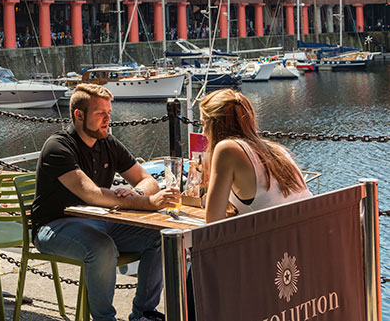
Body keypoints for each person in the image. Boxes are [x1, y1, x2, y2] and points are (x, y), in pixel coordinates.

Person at [31, 83, 179, 321]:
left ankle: (144, 314)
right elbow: (91, 194)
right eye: (101, 113)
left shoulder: (107, 143)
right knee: (101, 247)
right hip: (54, 227)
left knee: (160, 236)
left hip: (98, 221)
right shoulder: (58, 147)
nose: (107, 119)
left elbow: (146, 179)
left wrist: (137, 193)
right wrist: (149, 203)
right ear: (79, 115)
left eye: (109, 113)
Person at [198, 89, 311, 222]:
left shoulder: (227, 149)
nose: (203, 133)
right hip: (306, 232)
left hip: (278, 238)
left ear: (214, 124)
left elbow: (213, 222)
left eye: (203, 124)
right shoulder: (277, 150)